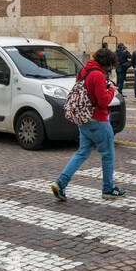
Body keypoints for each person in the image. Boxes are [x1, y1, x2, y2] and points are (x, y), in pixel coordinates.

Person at [51, 48, 126, 201]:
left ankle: (60, 183)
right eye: (110, 65)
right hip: (98, 119)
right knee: (108, 155)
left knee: (82, 153)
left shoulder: (84, 71)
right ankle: (108, 189)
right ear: (107, 63)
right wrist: (111, 90)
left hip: (84, 119)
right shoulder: (98, 75)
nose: (110, 68)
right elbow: (103, 100)